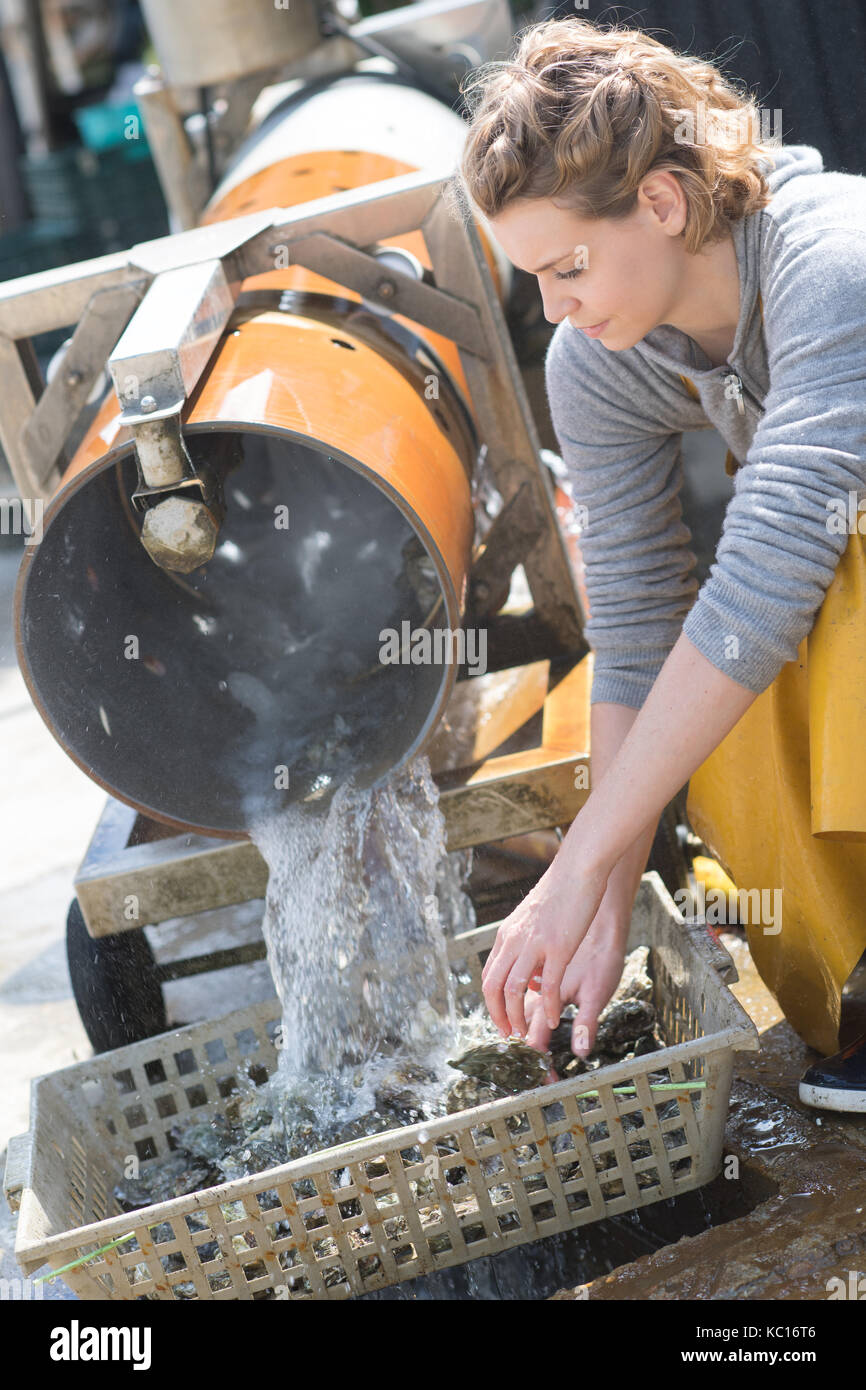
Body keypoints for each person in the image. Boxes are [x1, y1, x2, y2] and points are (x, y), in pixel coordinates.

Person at [455, 16, 866, 1113]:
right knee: (707, 703)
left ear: (663, 203)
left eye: (567, 265)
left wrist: (577, 861)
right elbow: (636, 624)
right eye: (532, 278)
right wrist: (605, 892)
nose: (555, 307)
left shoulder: (834, 259)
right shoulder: (597, 365)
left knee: (840, 565)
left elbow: (777, 553)